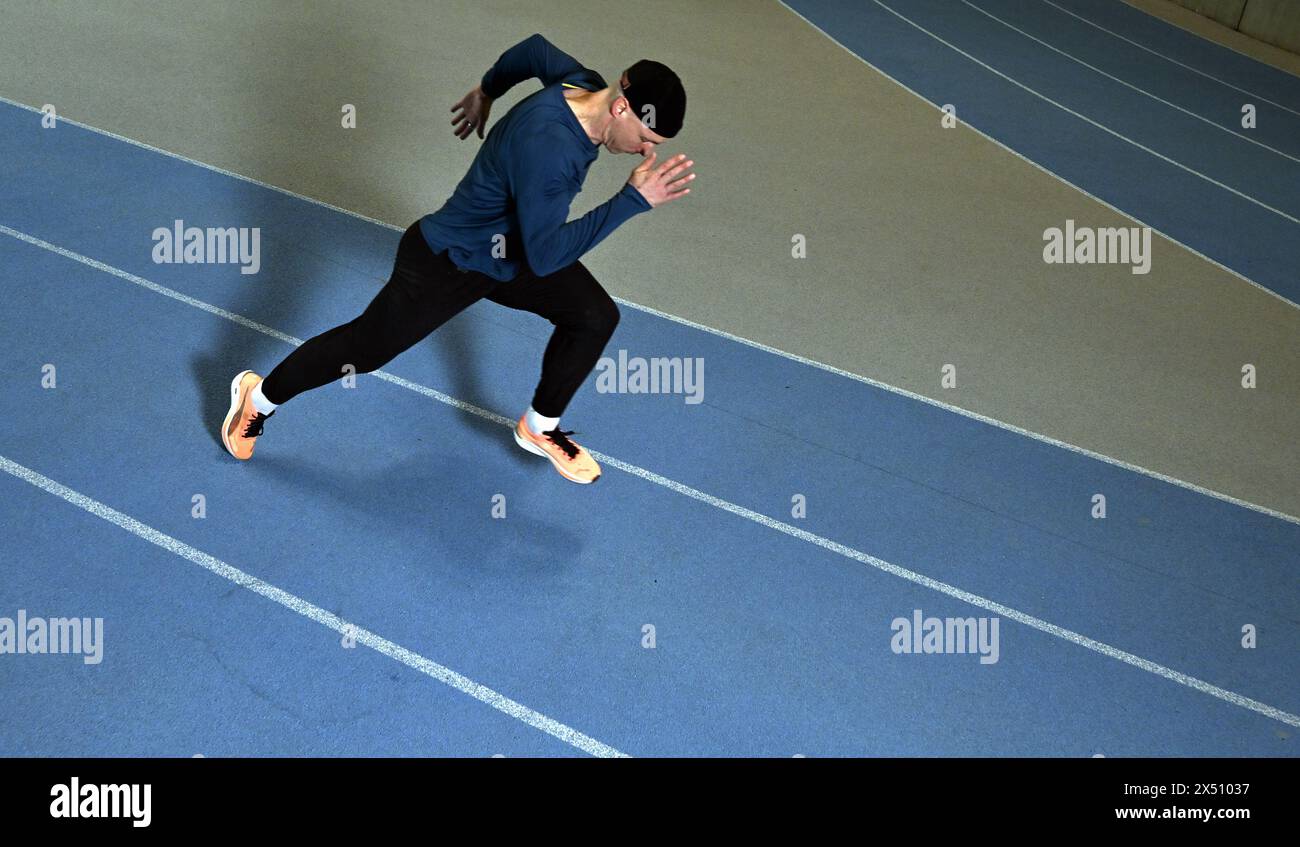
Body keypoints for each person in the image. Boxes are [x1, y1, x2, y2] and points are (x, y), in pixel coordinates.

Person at [221, 33, 692, 484]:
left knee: (594, 315)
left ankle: (539, 425)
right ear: (621, 107)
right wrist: (631, 200)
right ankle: (257, 400)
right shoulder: (551, 147)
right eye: (647, 137)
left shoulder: (580, 83)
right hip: (451, 260)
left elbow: (532, 50)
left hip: (506, 255)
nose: (646, 151)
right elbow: (546, 257)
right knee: (363, 350)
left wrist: (487, 90)